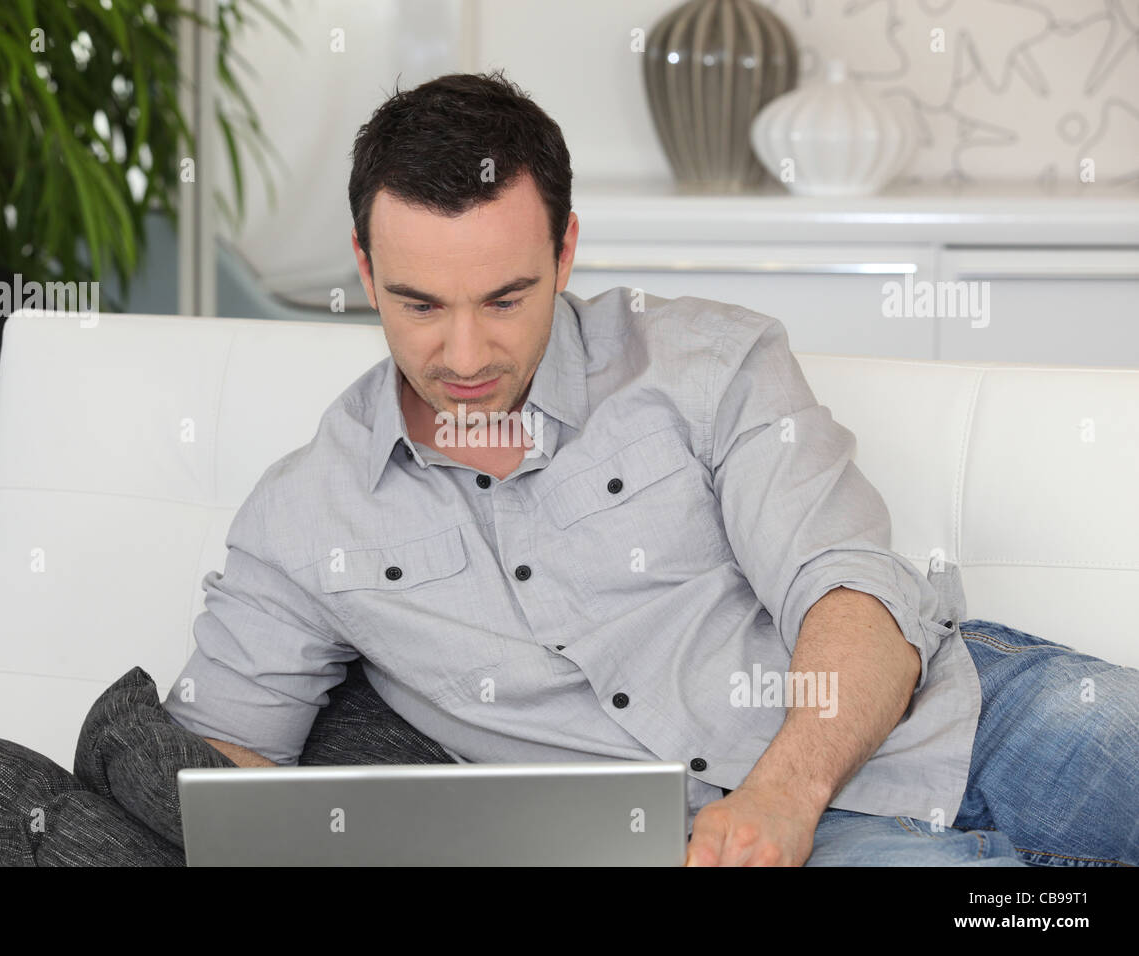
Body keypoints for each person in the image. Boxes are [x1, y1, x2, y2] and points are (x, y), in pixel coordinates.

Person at [162, 70, 1139, 867]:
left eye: (505, 298)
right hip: (752, 851)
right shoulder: (304, 516)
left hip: (965, 714)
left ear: (566, 248)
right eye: (419, 304)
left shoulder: (707, 362)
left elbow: (847, 592)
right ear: (365, 271)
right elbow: (216, 769)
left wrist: (782, 794)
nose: (463, 355)